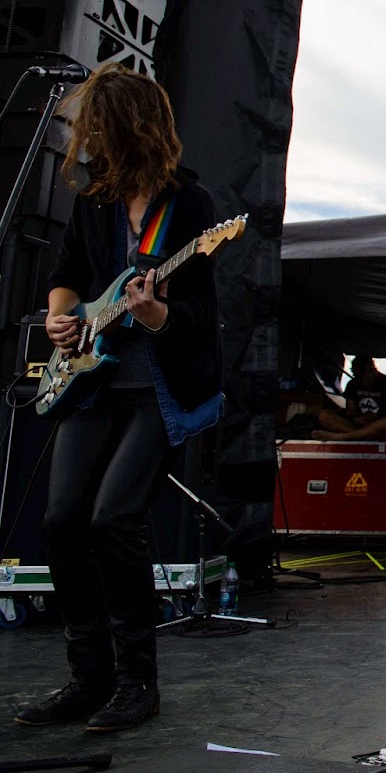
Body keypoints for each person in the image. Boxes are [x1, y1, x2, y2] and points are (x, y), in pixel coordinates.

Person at [15, 63, 223, 732]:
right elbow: (69, 273)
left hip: (157, 388)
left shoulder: (189, 207)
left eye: (101, 128)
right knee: (62, 519)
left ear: (133, 127)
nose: (91, 141)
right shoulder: (96, 201)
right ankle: (88, 678)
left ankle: (138, 683)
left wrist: (156, 313)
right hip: (92, 377)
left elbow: (198, 310)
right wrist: (59, 315)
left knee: (115, 518)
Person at [312, 356, 386, 441]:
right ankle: (368, 436)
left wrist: (375, 416)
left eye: (365, 378)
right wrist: (357, 417)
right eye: (358, 378)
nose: (363, 382)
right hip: (359, 427)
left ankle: (341, 437)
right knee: (324, 415)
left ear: (372, 370)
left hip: (377, 424)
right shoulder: (352, 384)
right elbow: (350, 412)